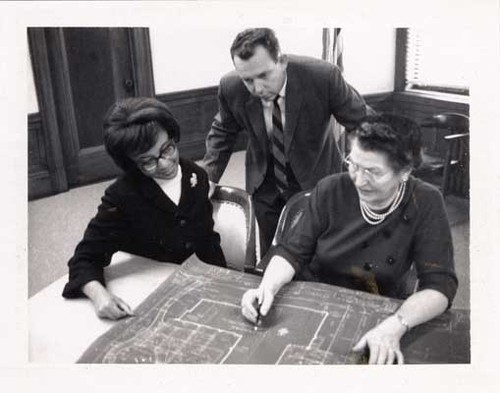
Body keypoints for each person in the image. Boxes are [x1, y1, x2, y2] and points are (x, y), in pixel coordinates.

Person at [241, 113, 458, 364]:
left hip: (377, 309)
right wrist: (265, 288)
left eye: (373, 172)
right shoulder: (331, 188)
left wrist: (395, 326)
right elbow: (291, 252)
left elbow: (440, 286)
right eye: (353, 164)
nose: (359, 180)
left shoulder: (426, 200)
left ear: (405, 171)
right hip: (313, 299)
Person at [202, 28, 367, 254]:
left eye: (264, 75)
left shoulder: (323, 76)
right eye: (248, 80)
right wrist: (209, 177)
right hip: (265, 183)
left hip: (316, 178)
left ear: (282, 61)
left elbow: (362, 123)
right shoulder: (230, 86)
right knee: (275, 252)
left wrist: (366, 167)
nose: (257, 88)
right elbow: (222, 130)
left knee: (320, 253)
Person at [62, 97, 226, 320]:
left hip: (204, 289)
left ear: (173, 136)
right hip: (154, 297)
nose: (165, 164)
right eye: (148, 161)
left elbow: (207, 240)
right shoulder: (122, 197)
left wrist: (224, 283)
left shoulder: (196, 175)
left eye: (167, 149)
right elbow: (85, 258)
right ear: (131, 163)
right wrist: (100, 296)